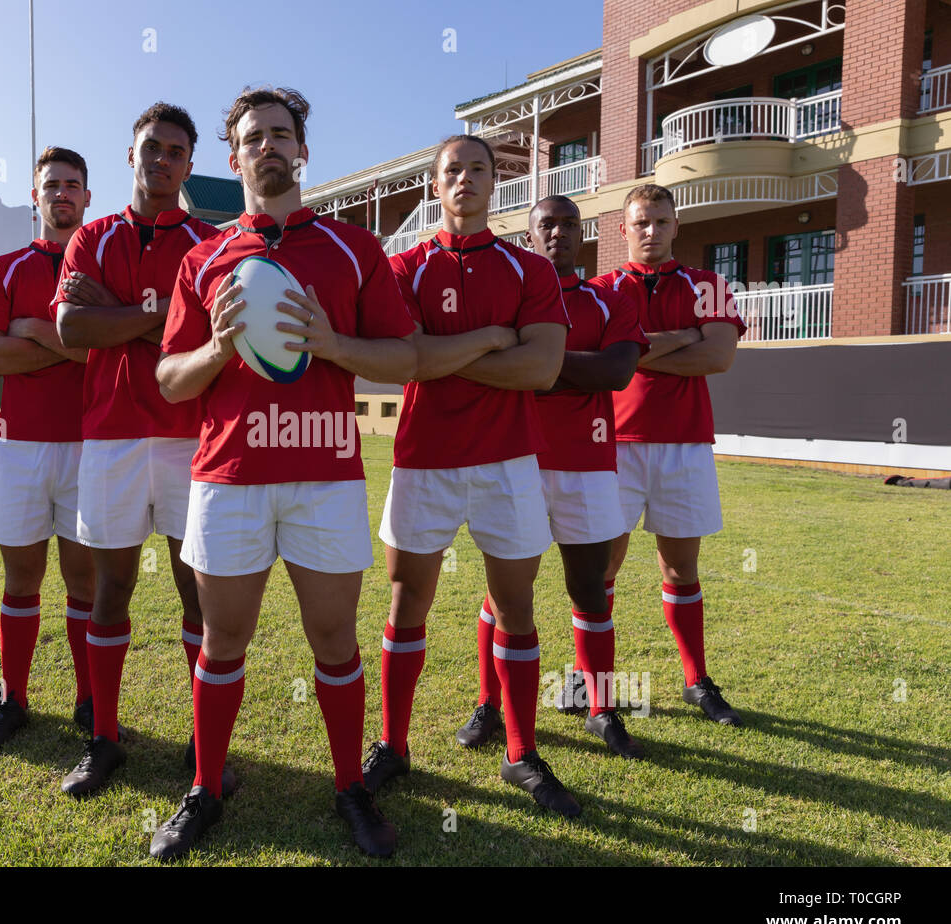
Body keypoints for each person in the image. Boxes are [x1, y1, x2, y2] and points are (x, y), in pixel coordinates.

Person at [148, 87, 416, 861]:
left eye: (280, 135)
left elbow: (400, 361)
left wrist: (333, 344)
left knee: (333, 638)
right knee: (223, 639)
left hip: (325, 474)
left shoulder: (354, 250)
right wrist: (218, 351)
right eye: (252, 137)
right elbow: (170, 379)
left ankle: (349, 787)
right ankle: (204, 788)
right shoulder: (203, 260)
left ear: (302, 151)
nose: (267, 146)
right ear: (232, 159)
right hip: (227, 475)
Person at [361, 137, 579, 818]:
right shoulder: (404, 268)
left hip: (508, 460)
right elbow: (404, 364)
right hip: (424, 459)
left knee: (515, 607)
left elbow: (540, 370)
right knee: (406, 605)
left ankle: (520, 752)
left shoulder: (527, 269)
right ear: (435, 185)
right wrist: (490, 338)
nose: (464, 180)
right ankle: (393, 747)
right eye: (451, 171)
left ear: (494, 183)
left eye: (477, 170)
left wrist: (439, 354)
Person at [48, 104, 229, 797]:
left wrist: (121, 315)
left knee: (198, 591)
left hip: (189, 435)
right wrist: (162, 317)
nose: (162, 159)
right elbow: (70, 328)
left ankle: (203, 745)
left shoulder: (209, 244)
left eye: (176, 151)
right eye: (151, 147)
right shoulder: (92, 237)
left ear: (189, 165)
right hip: (113, 436)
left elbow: (212, 339)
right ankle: (104, 739)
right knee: (110, 588)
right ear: (131, 156)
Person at [459, 195, 649, 760]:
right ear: (529, 232)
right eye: (548, 224)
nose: (559, 233)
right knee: (506, 591)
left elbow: (617, 372)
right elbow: (509, 375)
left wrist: (542, 360)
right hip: (517, 458)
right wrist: (568, 366)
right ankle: (488, 704)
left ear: (583, 234)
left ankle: (601, 707)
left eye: (570, 225)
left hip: (589, 465)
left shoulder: (606, 298)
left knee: (590, 588)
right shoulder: (514, 294)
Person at [578, 183, 746, 726]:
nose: (650, 231)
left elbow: (717, 357)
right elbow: (606, 360)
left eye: (660, 221)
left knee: (681, 568)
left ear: (676, 226)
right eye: (640, 223)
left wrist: (641, 347)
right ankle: (595, 689)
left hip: (685, 444)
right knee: (602, 569)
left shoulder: (708, 284)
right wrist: (681, 338)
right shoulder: (602, 289)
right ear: (622, 229)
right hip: (613, 447)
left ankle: (696, 681)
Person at [0, 147, 95, 752]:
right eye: (51, 186)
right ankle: (14, 699)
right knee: (21, 579)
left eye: (72, 185)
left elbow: (109, 352)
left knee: (83, 582)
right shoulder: (3, 270)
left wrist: (36, 332)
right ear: (35, 197)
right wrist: (70, 347)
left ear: (88, 196)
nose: (61, 194)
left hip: (93, 446)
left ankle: (92, 699)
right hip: (17, 449)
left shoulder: (102, 266)